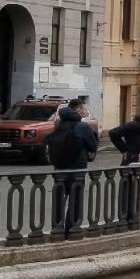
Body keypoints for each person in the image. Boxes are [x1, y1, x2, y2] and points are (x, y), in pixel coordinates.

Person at [46, 100, 97, 234]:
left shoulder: (59, 124)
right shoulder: (83, 127)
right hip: (77, 167)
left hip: (59, 166)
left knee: (59, 197)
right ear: (78, 110)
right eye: (83, 108)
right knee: (75, 197)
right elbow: (93, 146)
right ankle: (72, 227)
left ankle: (57, 227)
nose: (84, 111)